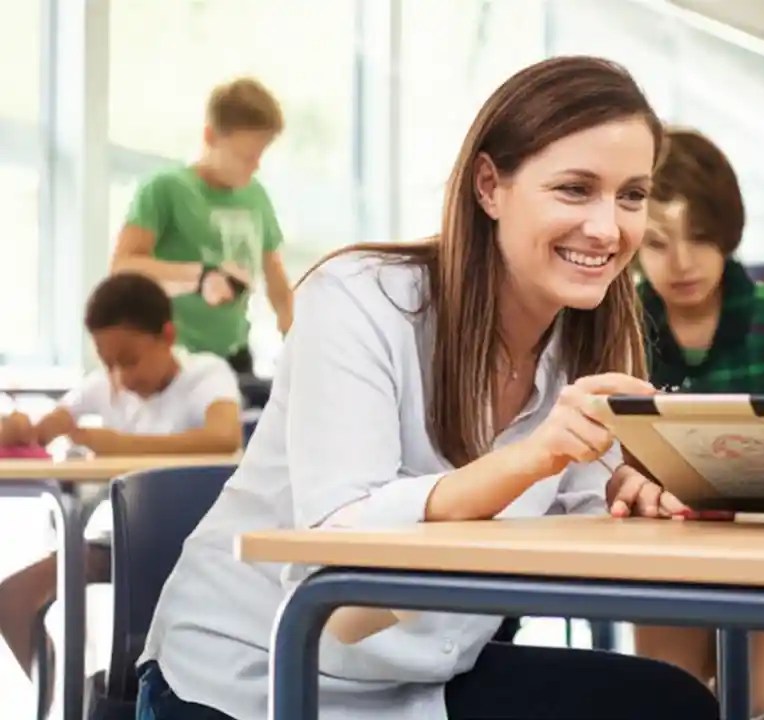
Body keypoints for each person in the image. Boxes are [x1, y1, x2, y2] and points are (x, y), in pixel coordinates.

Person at [134, 56, 720, 720]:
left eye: (631, 195)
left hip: (422, 683)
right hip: (254, 677)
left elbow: (575, 520)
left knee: (670, 704)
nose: (609, 228)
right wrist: (532, 459)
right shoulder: (359, 299)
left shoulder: (588, 337)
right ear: (489, 186)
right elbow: (344, 560)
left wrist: (627, 497)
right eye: (575, 189)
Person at [630, 126, 764, 713]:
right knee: (662, 689)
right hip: (671, 557)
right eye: (656, 243)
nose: (681, 263)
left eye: (700, 238)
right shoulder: (620, 322)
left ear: (727, 233)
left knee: (751, 691)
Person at [0, 273, 242, 713]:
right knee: (12, 597)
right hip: (118, 546)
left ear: (167, 336)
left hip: (193, 545)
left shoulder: (206, 375)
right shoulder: (105, 386)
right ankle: (61, 698)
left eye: (129, 360)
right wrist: (18, 428)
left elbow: (223, 437)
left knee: (143, 632)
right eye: (107, 362)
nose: (119, 376)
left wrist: (117, 444)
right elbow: (46, 426)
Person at [110, 77, 294, 377]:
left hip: (234, 359)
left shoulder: (256, 195)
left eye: (260, 156)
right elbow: (123, 268)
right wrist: (201, 276)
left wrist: (299, 342)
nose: (254, 166)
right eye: (245, 156)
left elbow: (279, 288)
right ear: (210, 137)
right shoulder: (165, 189)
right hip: (173, 360)